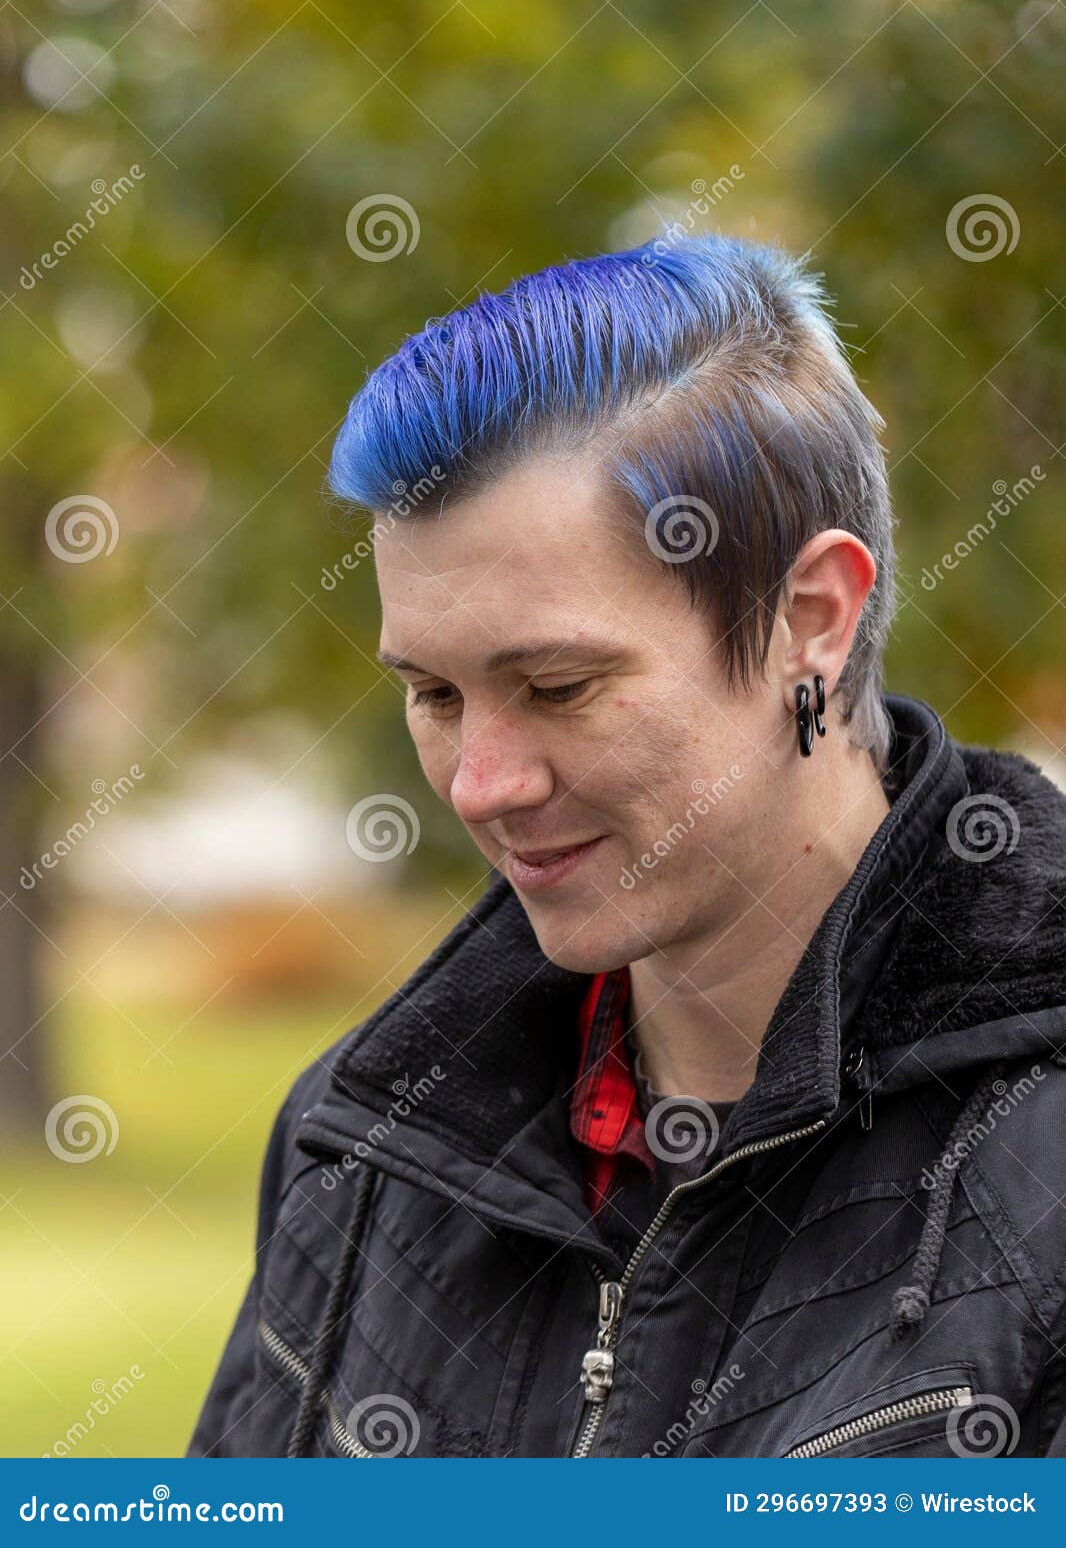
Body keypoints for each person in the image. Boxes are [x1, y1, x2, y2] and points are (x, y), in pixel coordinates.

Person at [188, 233, 1066, 1459]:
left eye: (556, 685)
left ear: (810, 619)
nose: (484, 786)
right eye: (434, 696)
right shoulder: (354, 1142)